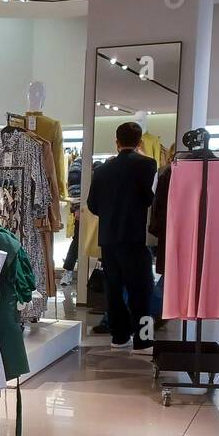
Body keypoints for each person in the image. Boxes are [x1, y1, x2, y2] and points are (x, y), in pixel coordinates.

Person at [86, 121, 157, 352]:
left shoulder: (102, 170)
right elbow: (149, 198)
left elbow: (92, 204)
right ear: (139, 142)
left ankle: (119, 337)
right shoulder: (147, 164)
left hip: (108, 239)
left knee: (114, 290)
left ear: (116, 142)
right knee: (142, 290)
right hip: (134, 237)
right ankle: (143, 339)